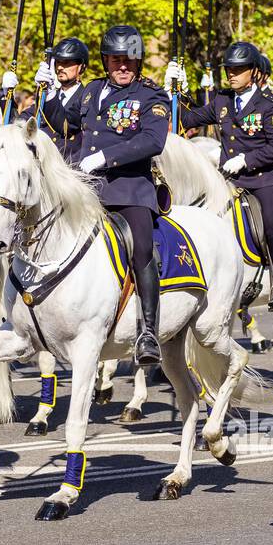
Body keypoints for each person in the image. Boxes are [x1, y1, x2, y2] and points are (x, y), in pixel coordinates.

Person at [37, 25, 169, 364]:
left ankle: (149, 332)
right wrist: (50, 92)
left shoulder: (151, 96)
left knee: (141, 250)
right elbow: (64, 124)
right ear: (105, 61)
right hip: (88, 190)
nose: (122, 66)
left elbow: (153, 141)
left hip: (129, 191)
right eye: (115, 60)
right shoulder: (91, 90)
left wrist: (104, 158)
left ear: (138, 63)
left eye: (129, 61)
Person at [171, 42, 273, 310]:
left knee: (270, 224)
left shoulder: (270, 103)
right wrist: (174, 92)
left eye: (238, 69)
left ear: (253, 71)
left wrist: (246, 160)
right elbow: (188, 120)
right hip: (227, 179)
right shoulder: (223, 101)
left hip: (261, 179)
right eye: (229, 69)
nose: (232, 74)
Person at [8, 37, 89, 163]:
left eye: (67, 63)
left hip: (69, 170)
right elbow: (18, 123)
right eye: (58, 62)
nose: (61, 67)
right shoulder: (47, 98)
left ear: (81, 67)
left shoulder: (87, 97)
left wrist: (49, 92)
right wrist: (7, 96)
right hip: (42, 171)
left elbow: (65, 127)